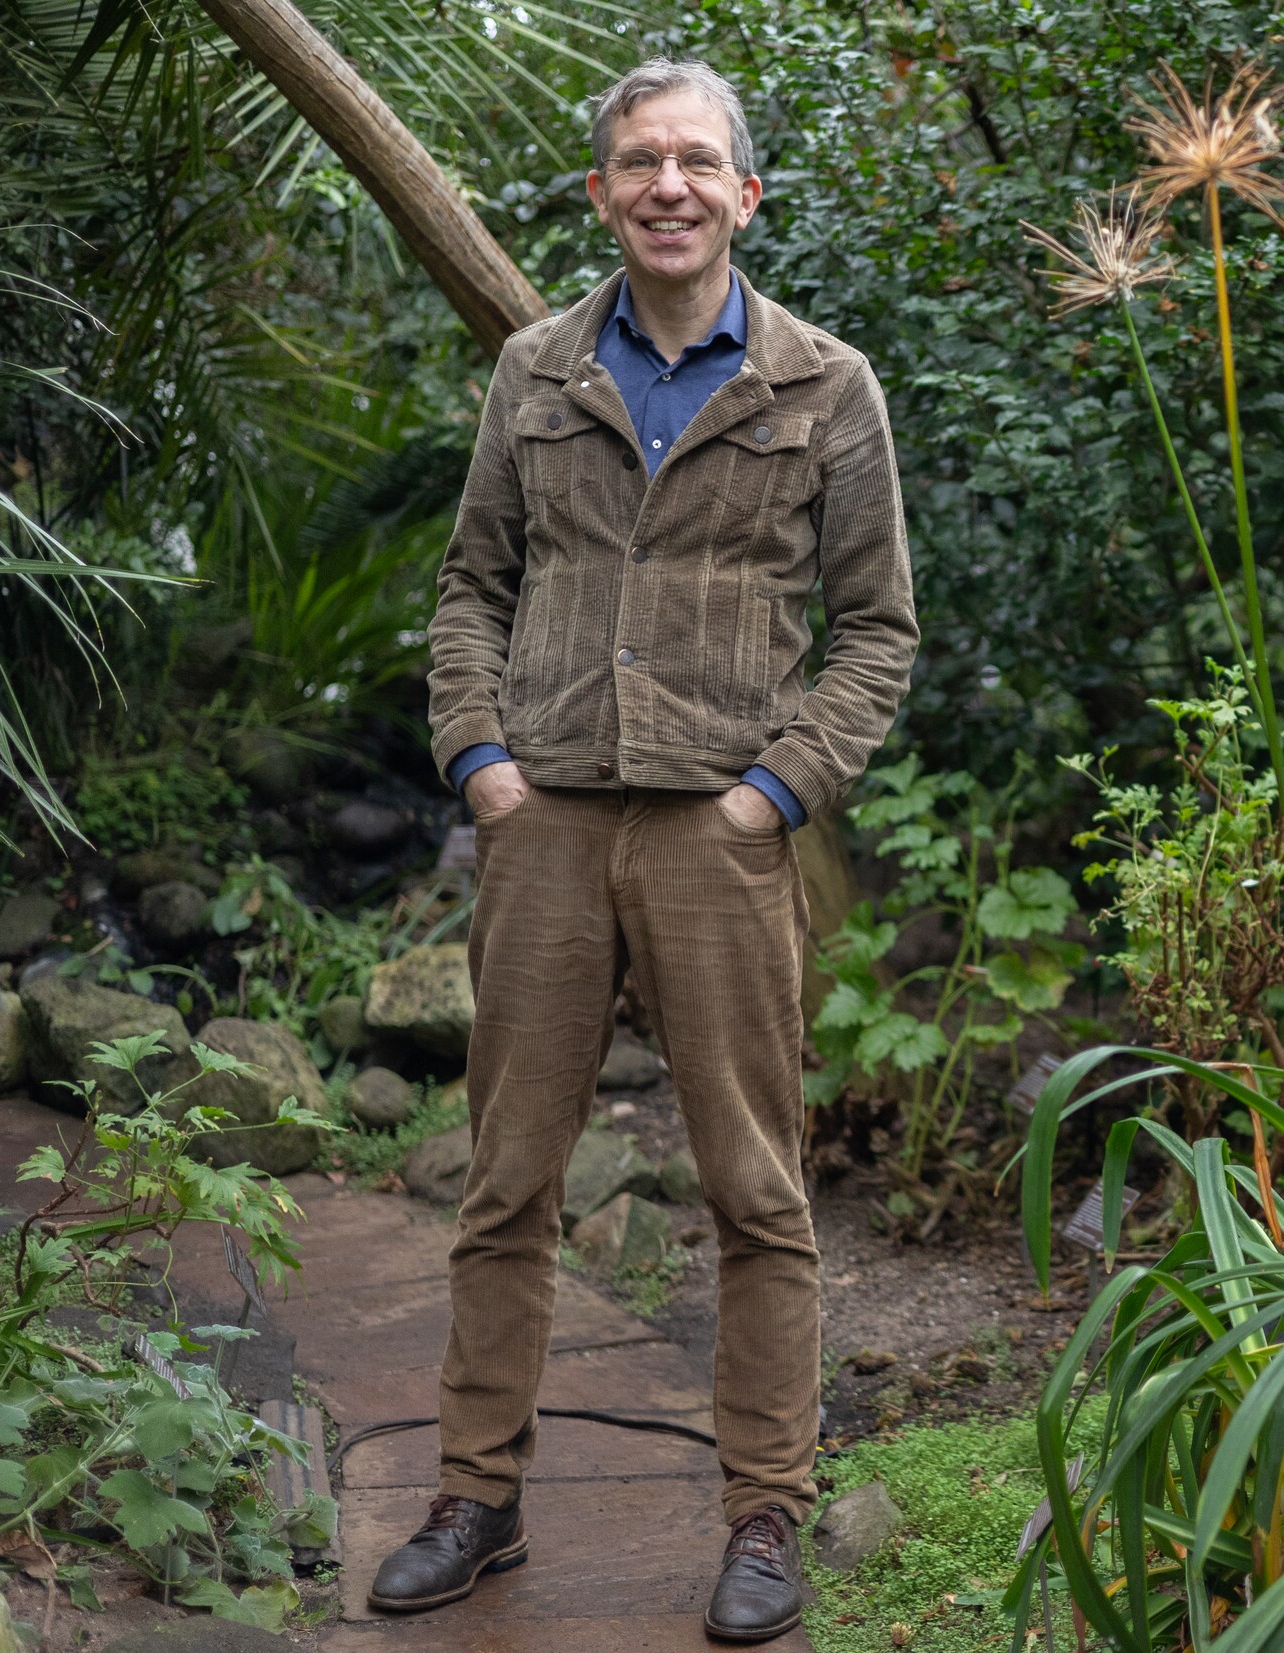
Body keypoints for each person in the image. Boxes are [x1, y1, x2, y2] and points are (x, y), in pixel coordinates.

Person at [368, 55, 917, 1644]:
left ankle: (765, 1515)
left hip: (719, 837)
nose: (666, 185)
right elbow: (473, 584)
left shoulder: (827, 386)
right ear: (603, 194)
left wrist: (776, 792)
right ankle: (478, 1495)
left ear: (746, 195)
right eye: (637, 163)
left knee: (757, 1186)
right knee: (504, 1181)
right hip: (542, 830)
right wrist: (479, 762)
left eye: (696, 162)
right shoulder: (538, 371)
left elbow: (877, 631)